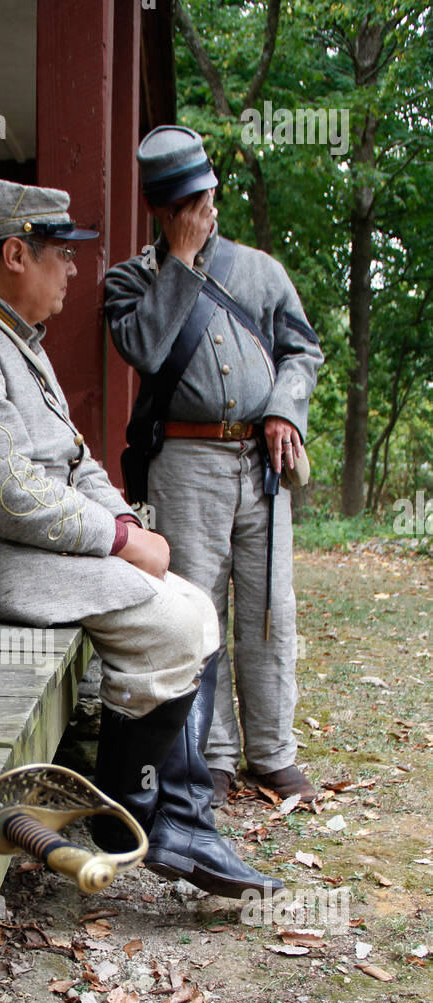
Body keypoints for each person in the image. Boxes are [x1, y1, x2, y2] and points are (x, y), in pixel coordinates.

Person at [0, 177, 281, 898]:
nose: (74, 268)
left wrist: (125, 525)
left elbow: (75, 460)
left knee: (187, 603)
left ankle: (168, 815)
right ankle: (144, 818)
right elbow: (6, 495)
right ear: (14, 255)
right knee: (171, 620)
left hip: (9, 540)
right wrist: (124, 541)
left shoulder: (12, 337)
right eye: (61, 253)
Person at [105, 126, 324, 806]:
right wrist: (180, 262)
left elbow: (301, 352)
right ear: (160, 211)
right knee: (198, 610)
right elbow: (141, 345)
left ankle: (273, 752)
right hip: (186, 459)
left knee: (269, 610)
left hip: (262, 457)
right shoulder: (130, 281)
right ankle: (214, 754)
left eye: (200, 199)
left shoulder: (259, 270)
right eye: (180, 207)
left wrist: (287, 409)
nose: (196, 214)